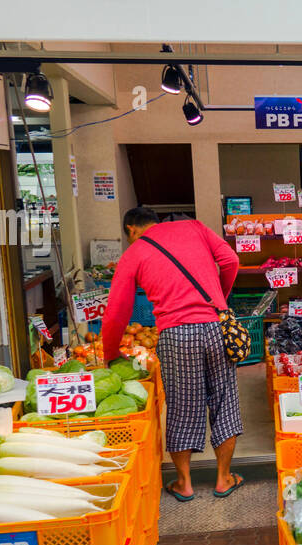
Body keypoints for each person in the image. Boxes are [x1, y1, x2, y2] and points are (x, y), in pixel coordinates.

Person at [102, 205, 243, 502]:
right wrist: (220, 299)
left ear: (131, 229)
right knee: (224, 401)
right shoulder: (194, 226)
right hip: (217, 326)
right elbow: (230, 260)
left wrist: (111, 352)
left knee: (181, 407)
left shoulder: (134, 253)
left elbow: (116, 311)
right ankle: (223, 478)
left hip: (176, 334)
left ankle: (184, 483)